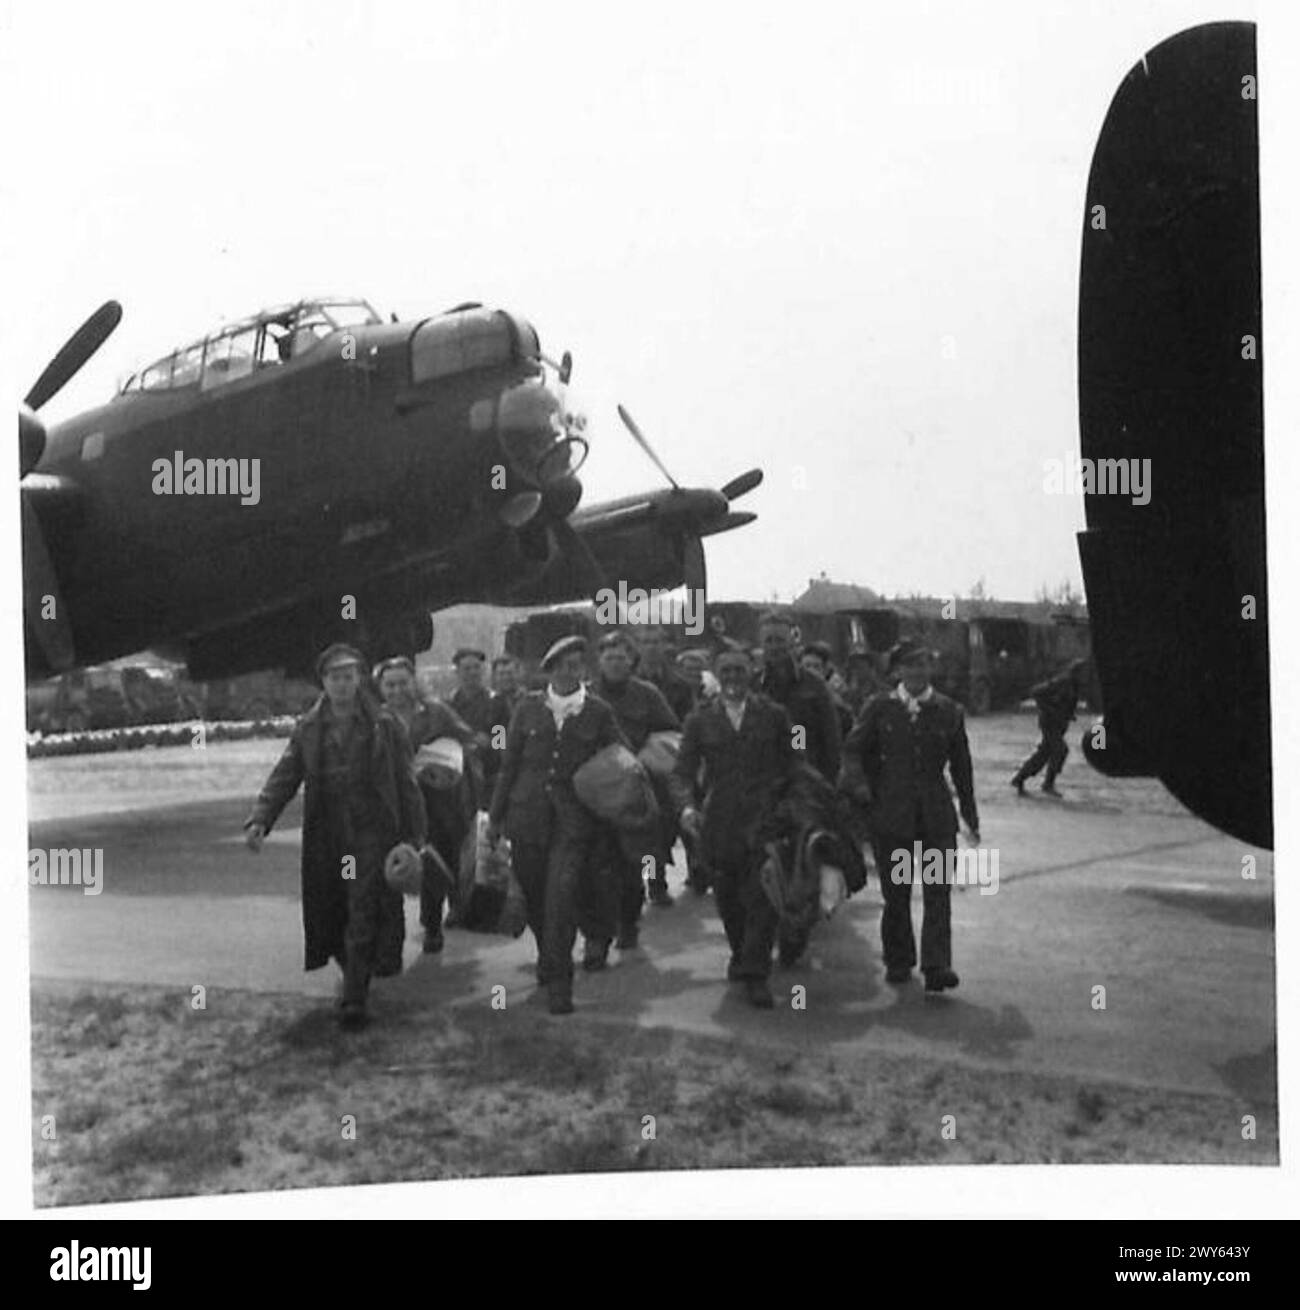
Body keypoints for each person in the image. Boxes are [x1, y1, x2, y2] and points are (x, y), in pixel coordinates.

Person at [244, 643, 426, 1029]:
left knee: (361, 906)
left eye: (349, 676)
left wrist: (415, 836)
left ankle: (354, 998)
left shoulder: (385, 724)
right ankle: (354, 972)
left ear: (359, 679)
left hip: (371, 835)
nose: (342, 684)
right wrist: (261, 818)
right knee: (336, 907)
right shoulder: (309, 728)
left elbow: (406, 783)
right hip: (330, 838)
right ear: (323, 682)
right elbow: (286, 774)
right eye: (334, 677)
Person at [487, 635, 628, 1015]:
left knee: (560, 898)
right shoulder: (527, 709)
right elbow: (509, 766)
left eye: (578, 664)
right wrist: (495, 818)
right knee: (534, 898)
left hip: (574, 821)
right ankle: (548, 957)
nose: (572, 671)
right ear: (548, 670)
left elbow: (620, 760)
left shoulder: (597, 712)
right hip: (526, 818)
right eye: (564, 665)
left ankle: (560, 985)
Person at [840, 639, 979, 993]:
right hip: (894, 818)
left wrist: (969, 815)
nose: (917, 672)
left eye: (923, 664)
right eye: (910, 665)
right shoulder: (880, 708)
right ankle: (899, 959)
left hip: (935, 819)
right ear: (897, 670)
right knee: (897, 893)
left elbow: (962, 767)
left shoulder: (948, 711)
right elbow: (853, 750)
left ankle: (937, 965)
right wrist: (860, 787)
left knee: (937, 892)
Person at [671, 646, 798, 1009]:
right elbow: (681, 771)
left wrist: (792, 806)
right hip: (720, 822)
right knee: (728, 899)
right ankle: (742, 952)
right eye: (725, 672)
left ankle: (756, 973)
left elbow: (794, 762)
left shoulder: (775, 716)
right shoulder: (699, 720)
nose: (732, 679)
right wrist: (685, 807)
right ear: (716, 674)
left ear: (753, 672)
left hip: (765, 820)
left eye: (739, 671)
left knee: (763, 895)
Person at [374, 655, 477, 953]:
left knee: (434, 863)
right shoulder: (377, 720)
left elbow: (468, 740)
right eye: (389, 685)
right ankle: (390, 940)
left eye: (402, 683)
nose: (397, 691)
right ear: (380, 688)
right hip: (395, 807)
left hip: (438, 804)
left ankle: (432, 926)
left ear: (413, 682)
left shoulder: (436, 712)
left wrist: (445, 761)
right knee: (395, 865)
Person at [592, 631, 681, 939]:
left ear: (631, 661)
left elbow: (670, 731)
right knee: (600, 860)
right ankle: (604, 927)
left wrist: (644, 756)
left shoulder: (647, 694)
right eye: (609, 657)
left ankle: (629, 919)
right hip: (598, 789)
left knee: (633, 859)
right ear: (599, 661)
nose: (616, 664)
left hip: (638, 788)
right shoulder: (586, 695)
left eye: (621, 658)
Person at [757, 612, 843, 781]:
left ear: (792, 642)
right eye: (769, 641)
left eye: (780, 640)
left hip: (806, 782)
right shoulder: (753, 686)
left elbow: (831, 741)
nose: (774, 647)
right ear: (761, 644)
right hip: (763, 785)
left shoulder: (814, 685)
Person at [1012, 660, 1087, 796]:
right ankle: (1047, 784)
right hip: (1050, 722)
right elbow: (1036, 692)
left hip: (1059, 724)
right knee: (1060, 749)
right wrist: (1050, 710)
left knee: (1044, 753)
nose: (1086, 676)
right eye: (1084, 672)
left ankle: (1020, 779)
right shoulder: (1063, 682)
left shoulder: (1075, 685)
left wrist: (1068, 714)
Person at [799, 639, 854, 738]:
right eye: (807, 666)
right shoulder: (795, 697)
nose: (811, 671)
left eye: (816, 666)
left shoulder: (836, 699)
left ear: (825, 669)